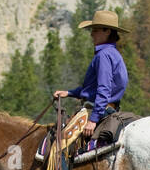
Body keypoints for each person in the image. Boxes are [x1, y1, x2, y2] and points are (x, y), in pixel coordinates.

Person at [53, 9, 129, 147]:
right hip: (107, 107)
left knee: (61, 145)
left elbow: (103, 89)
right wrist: (69, 93)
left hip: (99, 109)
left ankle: (57, 169)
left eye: (95, 30)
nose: (91, 34)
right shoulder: (112, 53)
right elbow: (93, 87)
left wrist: (93, 119)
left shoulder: (103, 56)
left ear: (107, 31)